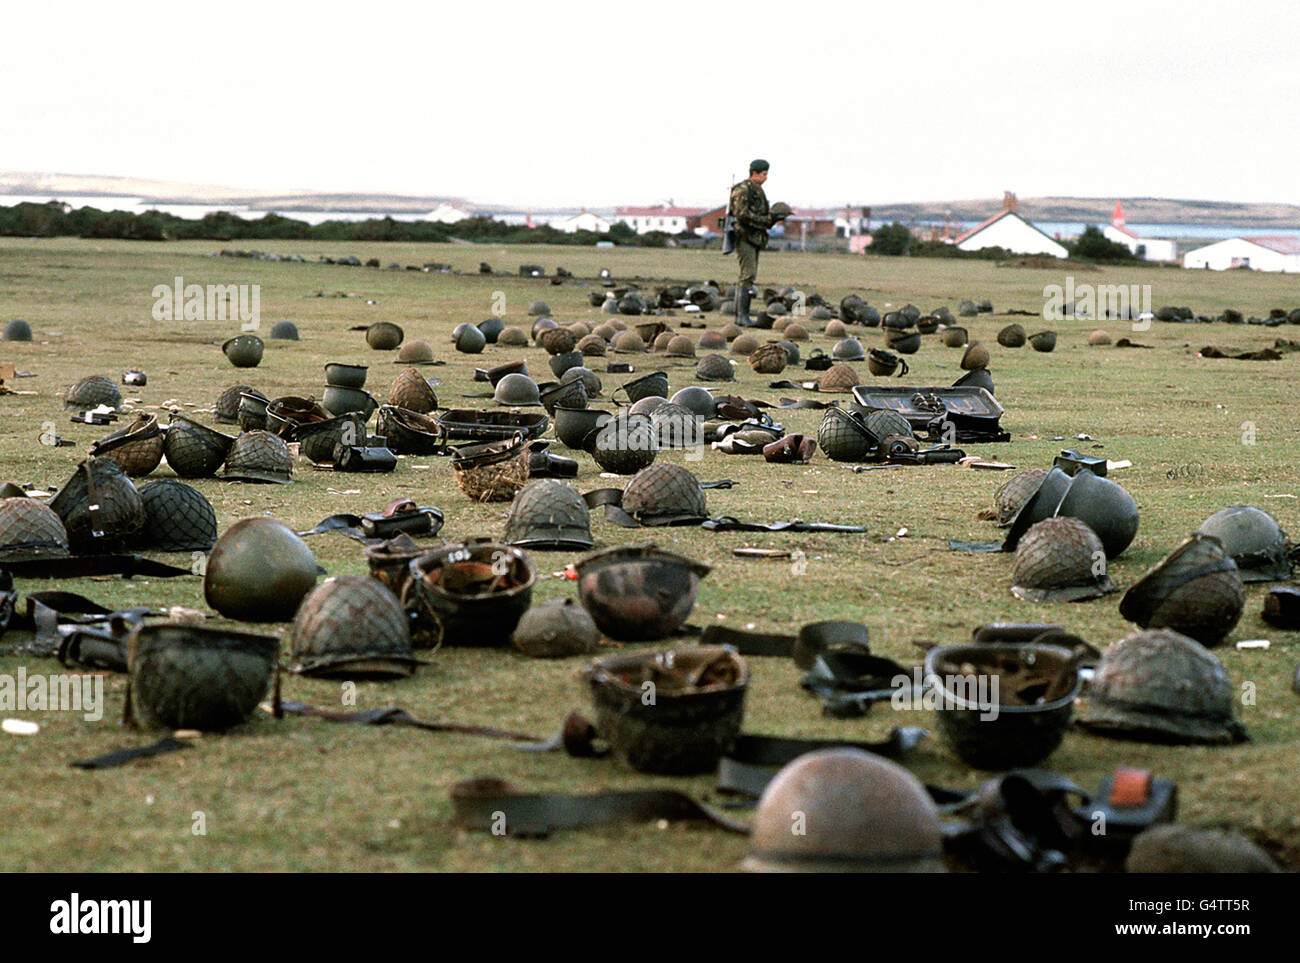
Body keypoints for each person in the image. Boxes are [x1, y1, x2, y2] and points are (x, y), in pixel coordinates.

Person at [728, 159, 788, 326]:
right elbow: (742, 215)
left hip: (755, 236)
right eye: (763, 174)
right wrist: (766, 219)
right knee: (747, 274)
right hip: (745, 235)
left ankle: (742, 315)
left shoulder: (757, 190)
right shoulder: (743, 189)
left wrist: (771, 219)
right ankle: (741, 316)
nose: (766, 177)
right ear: (754, 173)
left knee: (750, 275)